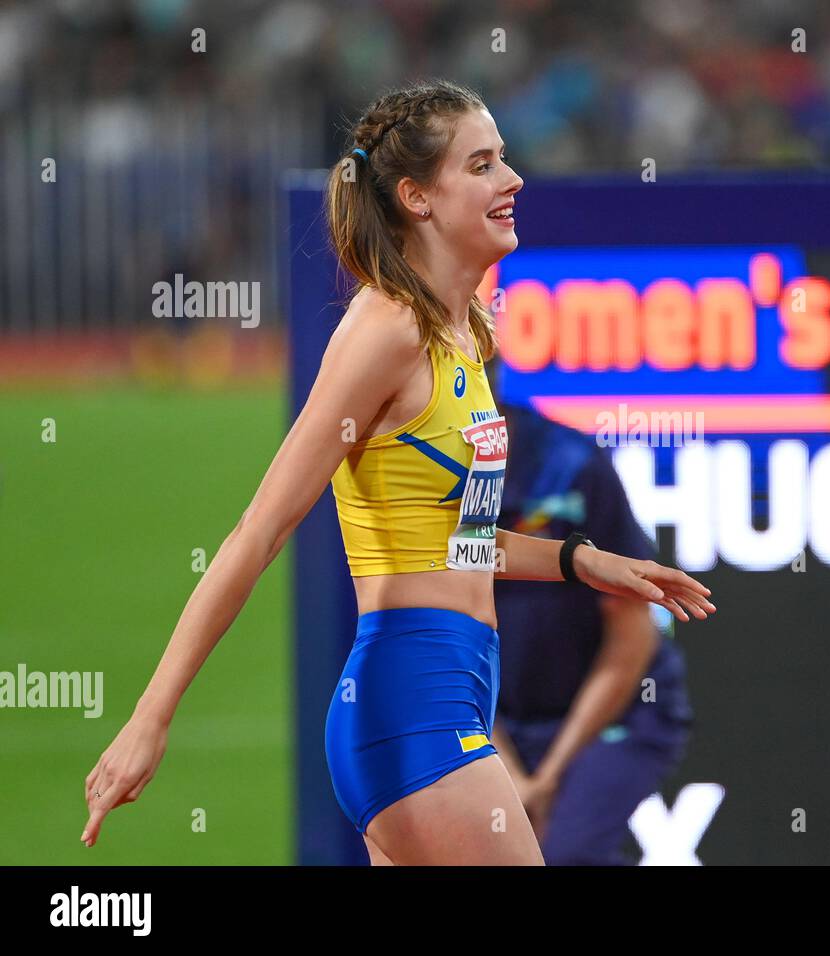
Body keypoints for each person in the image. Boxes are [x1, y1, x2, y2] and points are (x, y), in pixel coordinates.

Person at [79, 79, 716, 865]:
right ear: (417, 197)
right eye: (482, 165)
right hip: (411, 706)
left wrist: (582, 560)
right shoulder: (386, 330)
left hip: (449, 694)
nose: (512, 181)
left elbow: (458, 543)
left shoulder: (465, 334)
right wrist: (152, 715)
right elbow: (259, 530)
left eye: (505, 160)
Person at [490, 398, 695, 864]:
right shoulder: (426, 479)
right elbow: (447, 648)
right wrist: (510, 773)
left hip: (614, 716)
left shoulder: (572, 466)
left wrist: (545, 780)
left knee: (562, 855)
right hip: (493, 722)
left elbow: (632, 635)